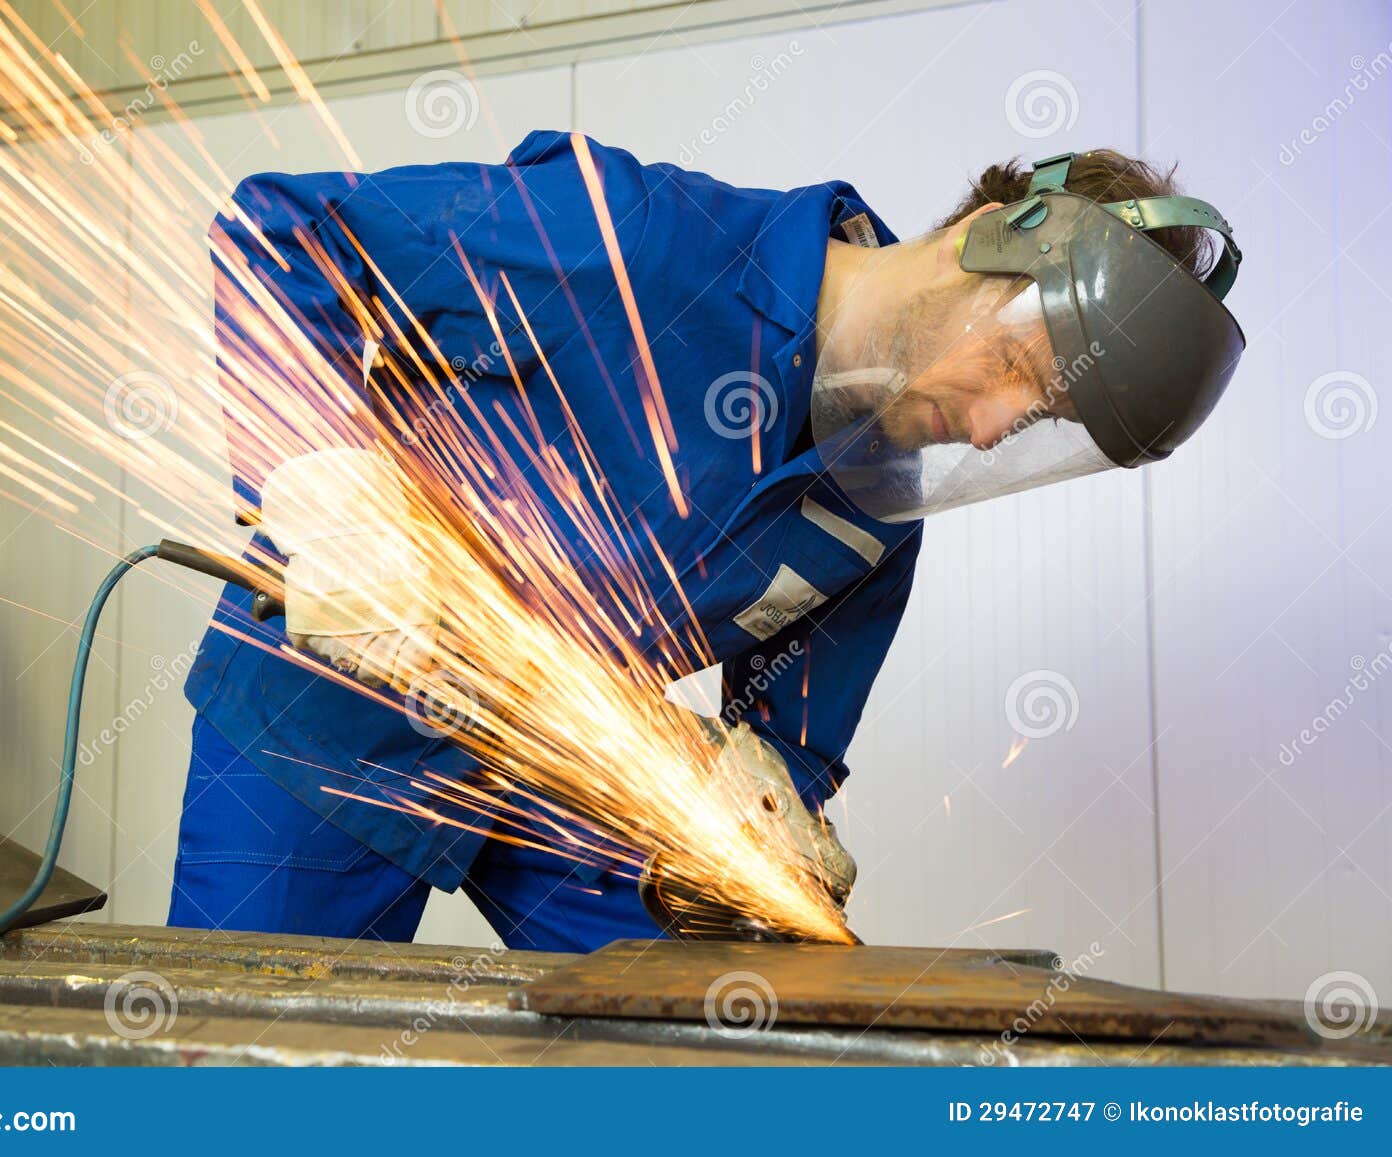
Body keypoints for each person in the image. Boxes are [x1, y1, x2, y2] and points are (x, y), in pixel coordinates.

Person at [170, 134, 1243, 951]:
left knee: (733, 1036)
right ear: (981, 244)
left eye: (1034, 421)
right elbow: (282, 232)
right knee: (245, 1075)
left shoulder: (874, 510)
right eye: (1017, 376)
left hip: (562, 773)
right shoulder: (634, 240)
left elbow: (785, 754)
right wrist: (323, 485)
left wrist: (768, 809)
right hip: (327, 718)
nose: (990, 430)